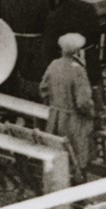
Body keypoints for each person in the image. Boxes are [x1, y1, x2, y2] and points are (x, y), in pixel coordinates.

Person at [40, 33, 99, 174]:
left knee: (60, 158)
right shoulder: (78, 70)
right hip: (74, 122)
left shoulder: (54, 64)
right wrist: (93, 114)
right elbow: (83, 102)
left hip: (55, 119)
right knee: (78, 159)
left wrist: (54, 103)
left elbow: (43, 90)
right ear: (78, 51)